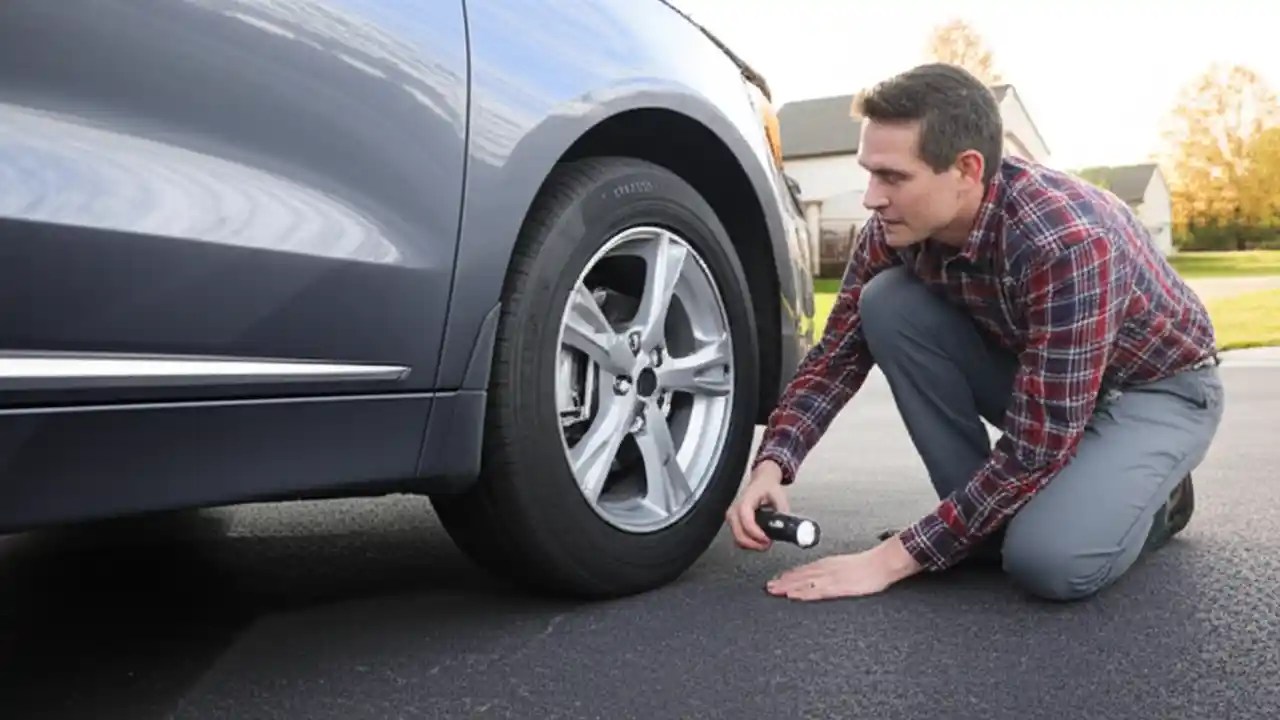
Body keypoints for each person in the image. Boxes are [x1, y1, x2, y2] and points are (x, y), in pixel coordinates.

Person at [726, 63, 1224, 603]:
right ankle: (976, 532)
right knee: (887, 303)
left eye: (892, 177)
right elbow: (836, 357)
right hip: (1048, 387)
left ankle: (1160, 500)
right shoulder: (894, 231)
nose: (871, 197)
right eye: (869, 172)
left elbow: (1039, 445)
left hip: (1153, 392)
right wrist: (772, 464)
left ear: (966, 169)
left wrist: (890, 561)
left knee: (1048, 562)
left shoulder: (1069, 242)